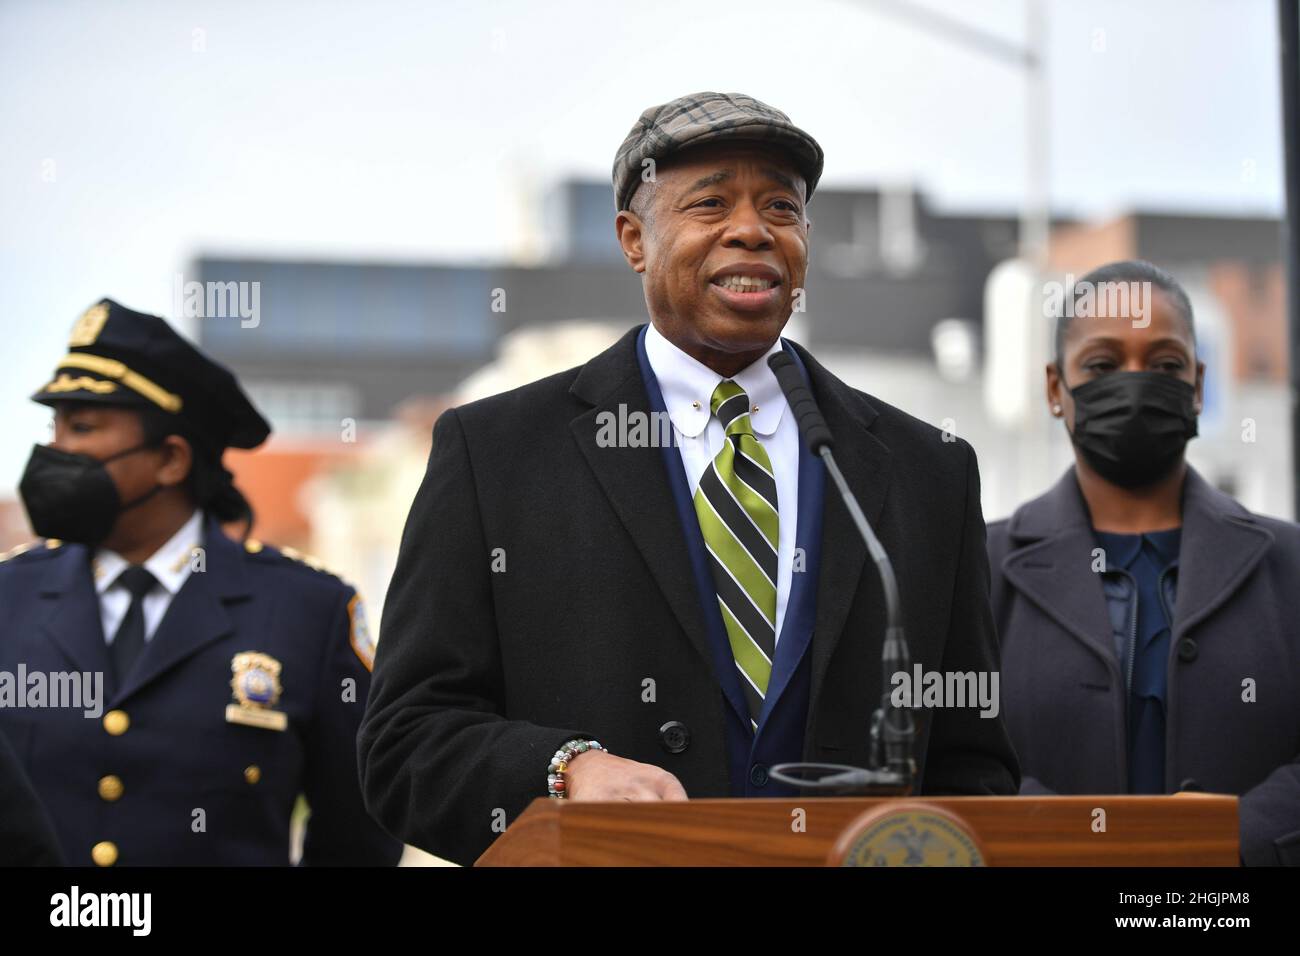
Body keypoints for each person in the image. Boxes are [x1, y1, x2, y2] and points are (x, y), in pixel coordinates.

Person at [360, 92, 1018, 866]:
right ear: (634, 240)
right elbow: (405, 742)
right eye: (710, 203)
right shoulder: (496, 453)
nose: (752, 228)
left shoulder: (925, 470)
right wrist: (564, 772)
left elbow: (971, 761)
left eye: (781, 205)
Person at [0, 298, 402, 866]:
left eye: (82, 427)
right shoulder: (8, 598)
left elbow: (358, 838)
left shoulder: (308, 611)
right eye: (55, 426)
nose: (54, 451)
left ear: (170, 459)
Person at [987, 259, 1300, 866]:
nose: (1134, 384)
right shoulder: (978, 567)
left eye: (1164, 365)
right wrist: (1077, 843)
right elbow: (943, 753)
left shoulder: (1288, 565)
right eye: (1103, 365)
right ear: (1056, 389)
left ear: (1199, 385)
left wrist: (1230, 840)